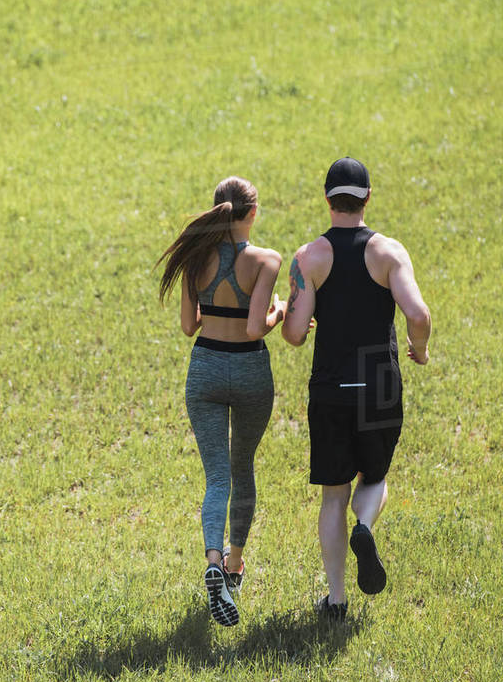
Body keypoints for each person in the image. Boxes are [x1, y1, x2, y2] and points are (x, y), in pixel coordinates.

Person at [281, 157, 431, 621]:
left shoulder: (309, 258)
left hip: (331, 385)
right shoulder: (389, 253)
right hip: (379, 381)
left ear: (327, 200)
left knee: (333, 494)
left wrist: (300, 321)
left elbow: (293, 333)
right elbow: (419, 315)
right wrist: (419, 350)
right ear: (368, 198)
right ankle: (364, 526)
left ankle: (337, 601)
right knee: (376, 478)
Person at [157, 176, 286, 627]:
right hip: (250, 372)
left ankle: (212, 560)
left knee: (216, 478)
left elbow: (188, 327)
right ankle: (234, 565)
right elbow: (256, 327)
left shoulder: (194, 260)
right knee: (242, 467)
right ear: (252, 214)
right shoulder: (266, 261)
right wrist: (281, 312)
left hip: (206, 370)